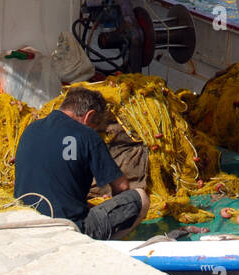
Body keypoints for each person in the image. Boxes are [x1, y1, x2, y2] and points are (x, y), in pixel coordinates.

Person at [13, 85, 150, 239]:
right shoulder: (87, 135)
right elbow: (122, 186)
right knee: (140, 197)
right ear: (89, 116)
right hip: (67, 229)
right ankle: (103, 246)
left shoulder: (31, 128)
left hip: (24, 222)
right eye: (95, 126)